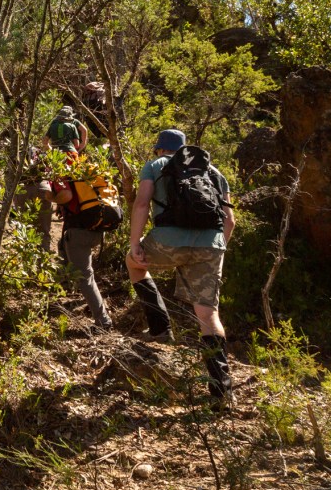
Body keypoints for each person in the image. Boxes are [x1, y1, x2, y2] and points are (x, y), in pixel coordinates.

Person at [126, 129, 236, 408]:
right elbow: (230, 221)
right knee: (209, 315)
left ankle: (160, 329)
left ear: (160, 149)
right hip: (211, 245)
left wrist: (135, 243)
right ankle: (222, 393)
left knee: (133, 263)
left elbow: (141, 203)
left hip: (167, 241)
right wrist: (215, 249)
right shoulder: (214, 171)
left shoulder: (156, 166)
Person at [46, 168, 114, 332]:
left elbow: (66, 196)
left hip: (78, 233)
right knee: (62, 246)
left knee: (85, 277)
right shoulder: (84, 171)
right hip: (96, 230)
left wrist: (53, 198)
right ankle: (65, 286)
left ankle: (103, 321)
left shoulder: (61, 172)